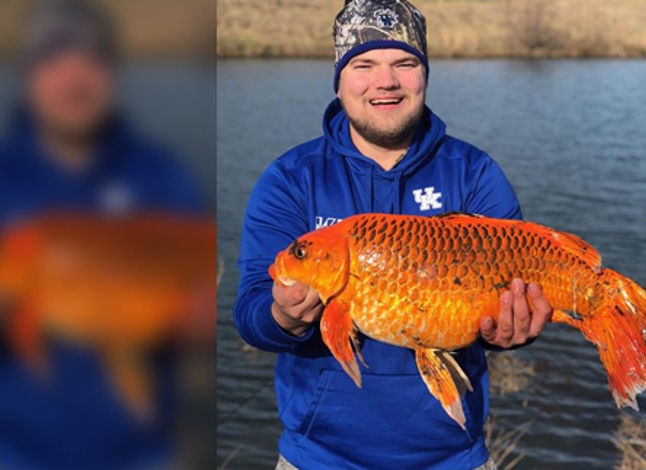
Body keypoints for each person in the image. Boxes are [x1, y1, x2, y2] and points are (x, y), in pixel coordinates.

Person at [233, 1, 553, 468]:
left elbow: (515, 306)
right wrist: (284, 317)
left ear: (424, 74)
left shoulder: (475, 174)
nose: (386, 81)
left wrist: (514, 331)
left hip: (454, 457)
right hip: (317, 458)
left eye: (404, 63)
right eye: (364, 65)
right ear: (339, 80)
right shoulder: (290, 178)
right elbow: (250, 315)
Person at [0, 1, 206, 469]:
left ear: (113, 73)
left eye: (91, 61)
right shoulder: (0, 176)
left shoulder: (162, 173)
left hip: (143, 454)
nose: (74, 78)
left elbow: (214, 296)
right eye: (53, 61)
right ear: (28, 75)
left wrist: (206, 315)